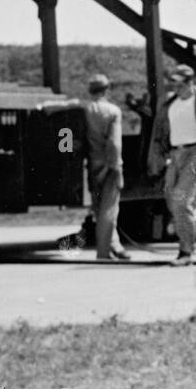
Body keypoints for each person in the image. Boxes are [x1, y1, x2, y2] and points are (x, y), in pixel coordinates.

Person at [149, 65, 196, 266]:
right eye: (173, 82)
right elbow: (161, 130)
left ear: (190, 82)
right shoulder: (170, 103)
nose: (176, 87)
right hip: (175, 154)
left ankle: (185, 253)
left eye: (180, 83)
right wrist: (159, 156)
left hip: (195, 155)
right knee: (173, 201)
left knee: (182, 202)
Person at [83, 73, 129, 261]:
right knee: (109, 209)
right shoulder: (113, 111)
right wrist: (117, 167)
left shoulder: (85, 108)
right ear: (106, 89)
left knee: (98, 208)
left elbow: (67, 130)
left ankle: (113, 246)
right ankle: (103, 252)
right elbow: (114, 143)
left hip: (92, 163)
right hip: (109, 164)